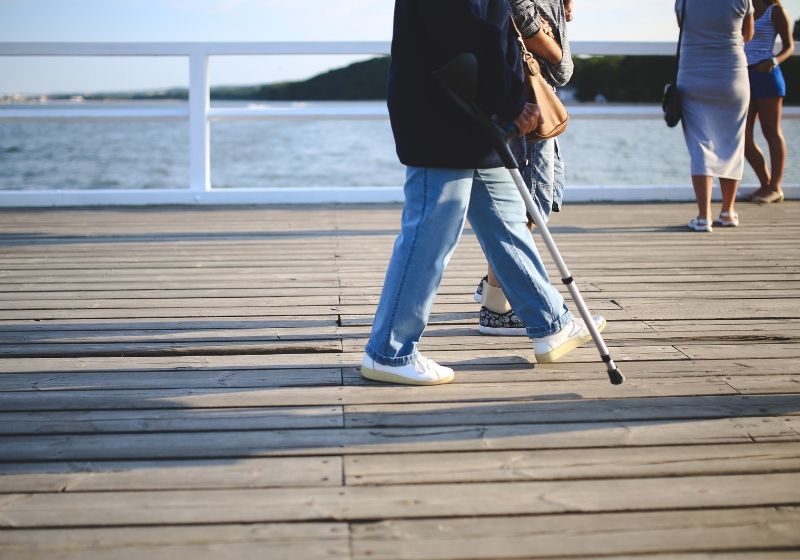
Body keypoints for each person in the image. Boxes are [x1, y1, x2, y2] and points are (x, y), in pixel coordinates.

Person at [361, 0, 606, 386]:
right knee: (429, 232)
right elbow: (467, 32)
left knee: (505, 219)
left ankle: (550, 323)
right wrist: (508, 102)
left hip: (467, 112)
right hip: (447, 112)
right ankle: (389, 351)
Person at [475, 0, 576, 336]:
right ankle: (496, 304)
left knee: (541, 197)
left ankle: (497, 286)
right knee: (528, 206)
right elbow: (518, 9)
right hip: (527, 90)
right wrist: (560, 58)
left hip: (534, 87)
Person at [676, 0, 755, 232]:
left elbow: (683, 25)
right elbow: (747, 34)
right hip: (732, 73)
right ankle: (728, 211)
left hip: (693, 73)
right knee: (732, 143)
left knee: (700, 144)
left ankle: (703, 216)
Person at [744, 0, 795, 204]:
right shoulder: (742, 7)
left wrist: (772, 62)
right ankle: (765, 184)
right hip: (743, 76)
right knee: (743, 137)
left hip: (767, 75)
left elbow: (789, 47)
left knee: (771, 131)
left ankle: (775, 187)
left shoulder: (776, 10)